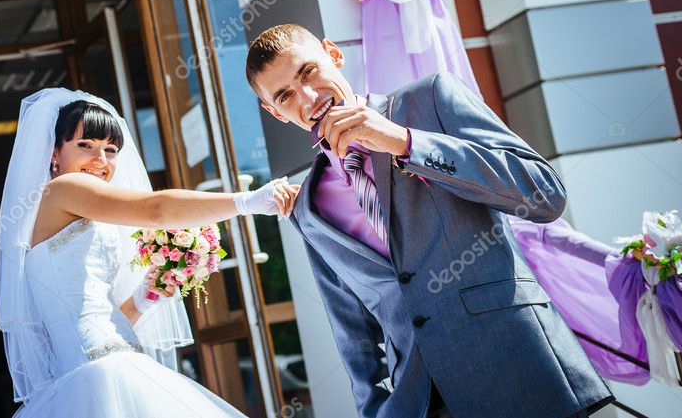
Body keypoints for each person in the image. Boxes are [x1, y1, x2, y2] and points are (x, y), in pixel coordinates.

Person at [245, 24, 613, 418]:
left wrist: (406, 142)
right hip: (419, 403)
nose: (309, 97)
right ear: (275, 112)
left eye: (308, 72)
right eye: (285, 96)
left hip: (517, 368)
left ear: (334, 55)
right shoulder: (309, 210)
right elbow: (351, 331)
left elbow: (544, 196)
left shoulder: (430, 101)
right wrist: (375, 409)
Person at [0, 88, 298, 417]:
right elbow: (156, 210)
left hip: (108, 364)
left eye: (110, 150)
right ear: (55, 153)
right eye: (85, 145)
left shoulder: (69, 204)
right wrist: (246, 202)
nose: (101, 161)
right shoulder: (63, 189)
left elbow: (101, 319)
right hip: (101, 372)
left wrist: (146, 295)